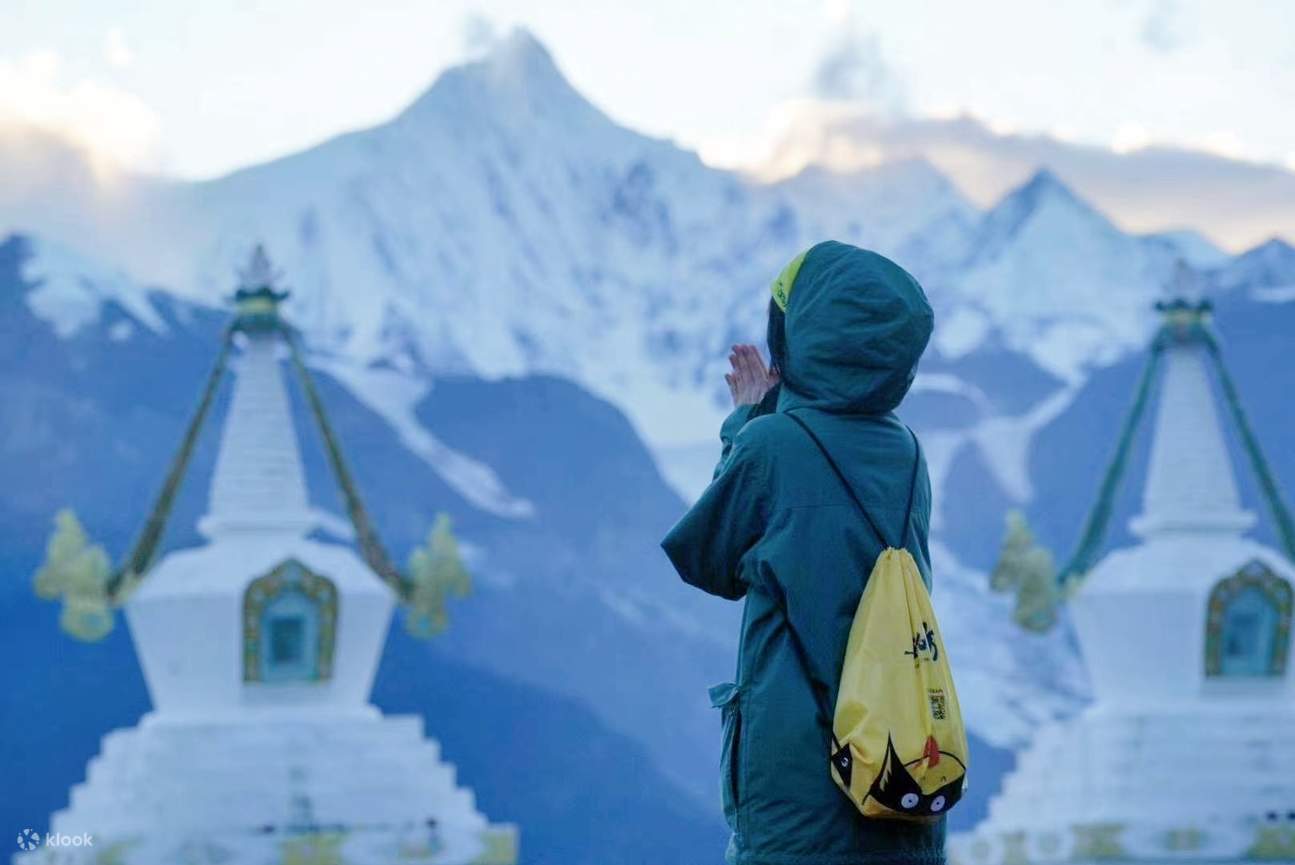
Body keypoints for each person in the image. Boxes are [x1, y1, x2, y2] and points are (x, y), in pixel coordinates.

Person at [661, 241, 943, 865]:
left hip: (800, 775)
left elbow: (707, 560)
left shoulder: (772, 445)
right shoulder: (909, 455)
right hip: (899, 760)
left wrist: (747, 420)